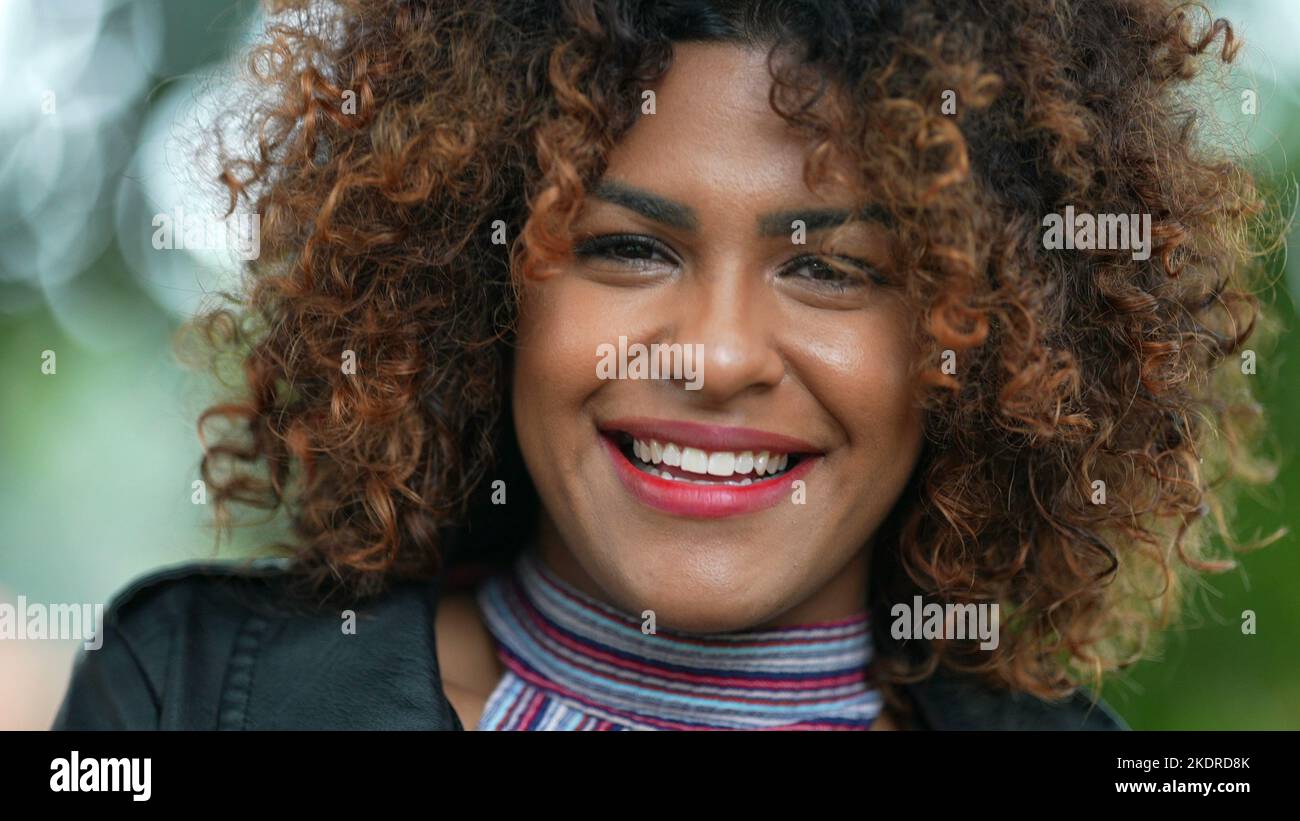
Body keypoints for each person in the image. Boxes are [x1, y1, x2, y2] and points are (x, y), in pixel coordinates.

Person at [54, 0, 1274, 730]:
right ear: (485, 291)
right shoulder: (190, 692)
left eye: (832, 269)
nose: (718, 355)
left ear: (982, 333)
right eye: (626, 248)